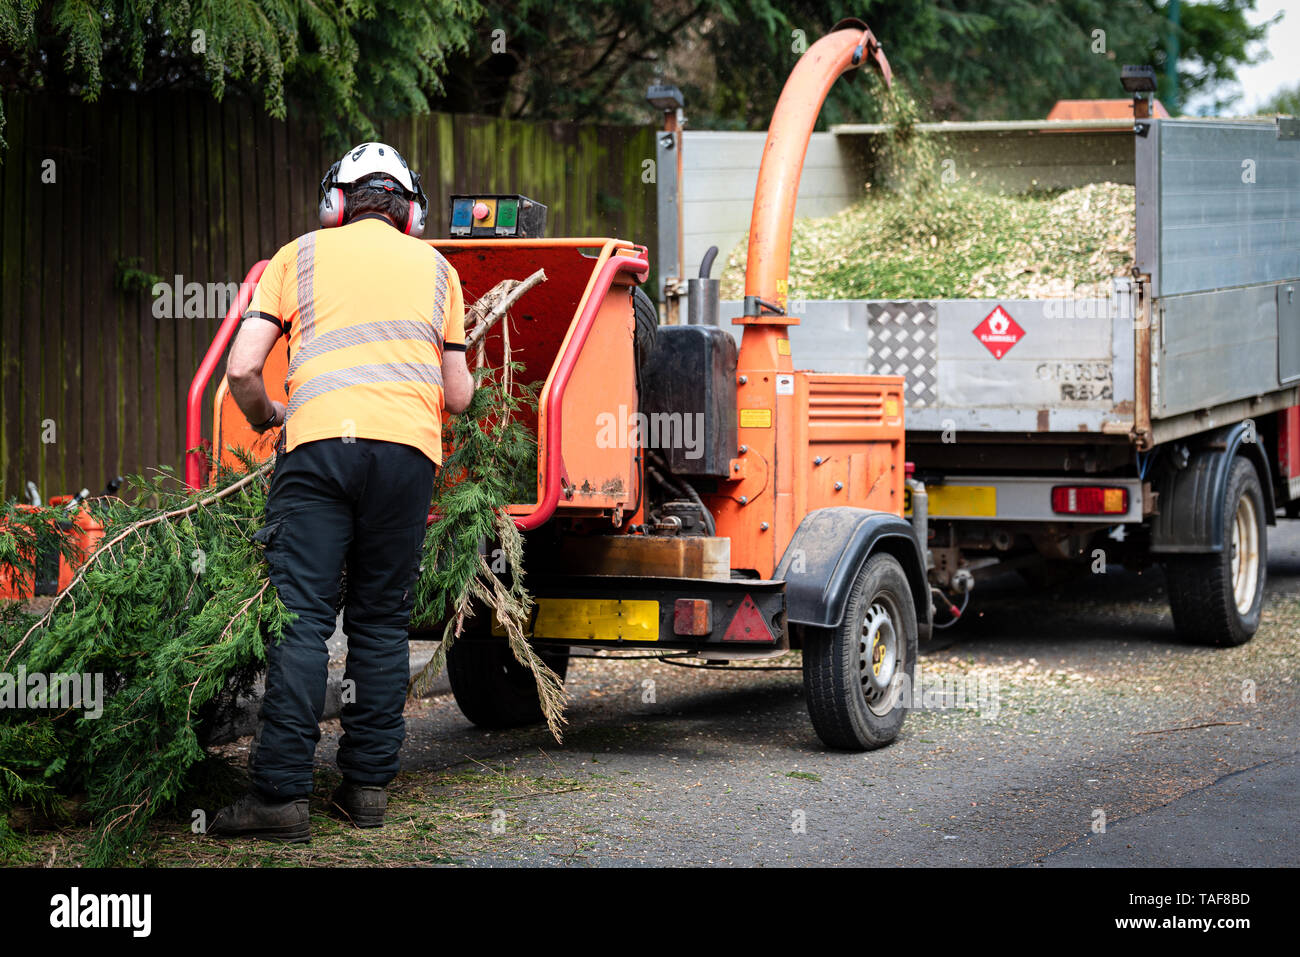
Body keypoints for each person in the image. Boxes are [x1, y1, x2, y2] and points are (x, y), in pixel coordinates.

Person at [208, 142, 474, 842]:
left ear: (337, 202)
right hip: (407, 456)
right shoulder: (442, 270)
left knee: (302, 621)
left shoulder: (297, 256)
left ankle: (279, 800)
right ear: (410, 211)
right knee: (382, 623)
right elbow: (459, 393)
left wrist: (271, 417)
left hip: (320, 449)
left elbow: (240, 370)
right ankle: (366, 794)